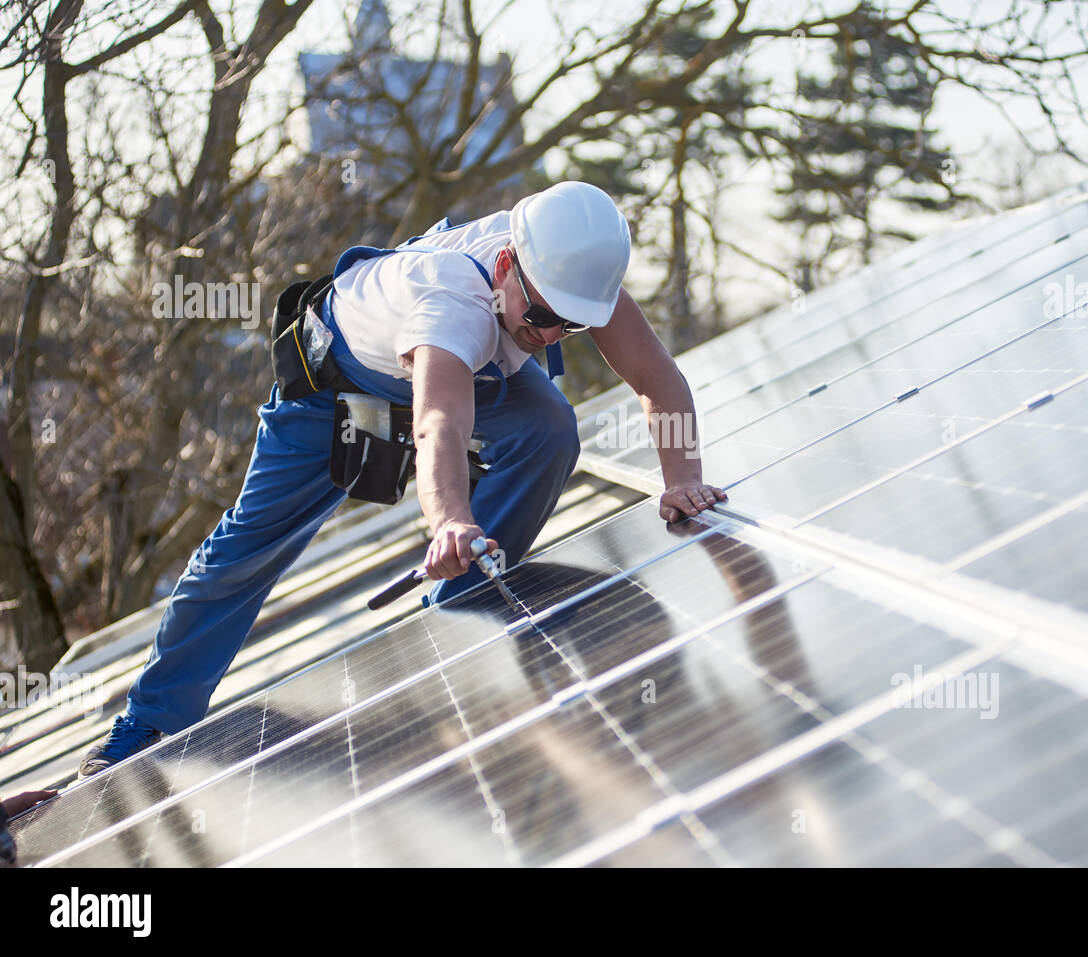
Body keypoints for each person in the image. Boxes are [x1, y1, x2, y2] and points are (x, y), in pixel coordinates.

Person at [78, 181, 727, 778]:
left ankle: (458, 607)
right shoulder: (453, 300)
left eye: (569, 326)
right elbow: (439, 421)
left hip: (461, 370)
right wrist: (448, 520)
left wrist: (682, 479)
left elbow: (657, 379)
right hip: (331, 390)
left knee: (550, 426)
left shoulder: (566, 269)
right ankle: (150, 721)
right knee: (242, 553)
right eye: (541, 319)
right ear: (505, 267)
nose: (551, 336)